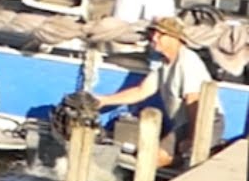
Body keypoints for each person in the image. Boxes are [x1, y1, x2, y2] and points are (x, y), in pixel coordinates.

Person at [93, 16, 224, 169]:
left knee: (155, 159)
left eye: (161, 34)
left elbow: (194, 102)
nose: (154, 38)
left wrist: (192, 138)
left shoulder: (188, 61)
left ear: (175, 38)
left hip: (206, 121)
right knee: (151, 157)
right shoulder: (164, 65)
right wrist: (104, 100)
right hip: (183, 123)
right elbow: (141, 91)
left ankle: (199, 160)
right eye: (153, 34)